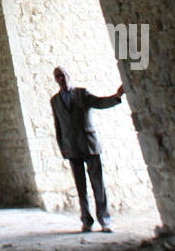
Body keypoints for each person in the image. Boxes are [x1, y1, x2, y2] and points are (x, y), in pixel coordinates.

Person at [51, 66, 124, 232]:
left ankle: (104, 221)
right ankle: (86, 220)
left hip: (89, 144)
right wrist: (62, 146)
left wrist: (117, 96)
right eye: (57, 77)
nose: (61, 79)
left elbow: (99, 102)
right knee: (80, 187)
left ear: (68, 76)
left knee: (98, 184)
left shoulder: (82, 94)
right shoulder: (55, 101)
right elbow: (58, 125)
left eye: (62, 75)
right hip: (72, 147)